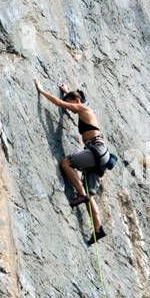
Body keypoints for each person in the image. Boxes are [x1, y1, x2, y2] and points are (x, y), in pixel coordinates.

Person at [35, 79, 109, 244]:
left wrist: (42, 91)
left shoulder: (83, 107)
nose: (71, 108)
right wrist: (66, 90)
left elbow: (62, 104)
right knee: (90, 196)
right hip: (102, 154)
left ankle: (80, 195)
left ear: (76, 102)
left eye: (72, 104)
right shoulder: (84, 108)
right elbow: (72, 103)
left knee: (66, 163)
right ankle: (98, 229)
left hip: (96, 151)